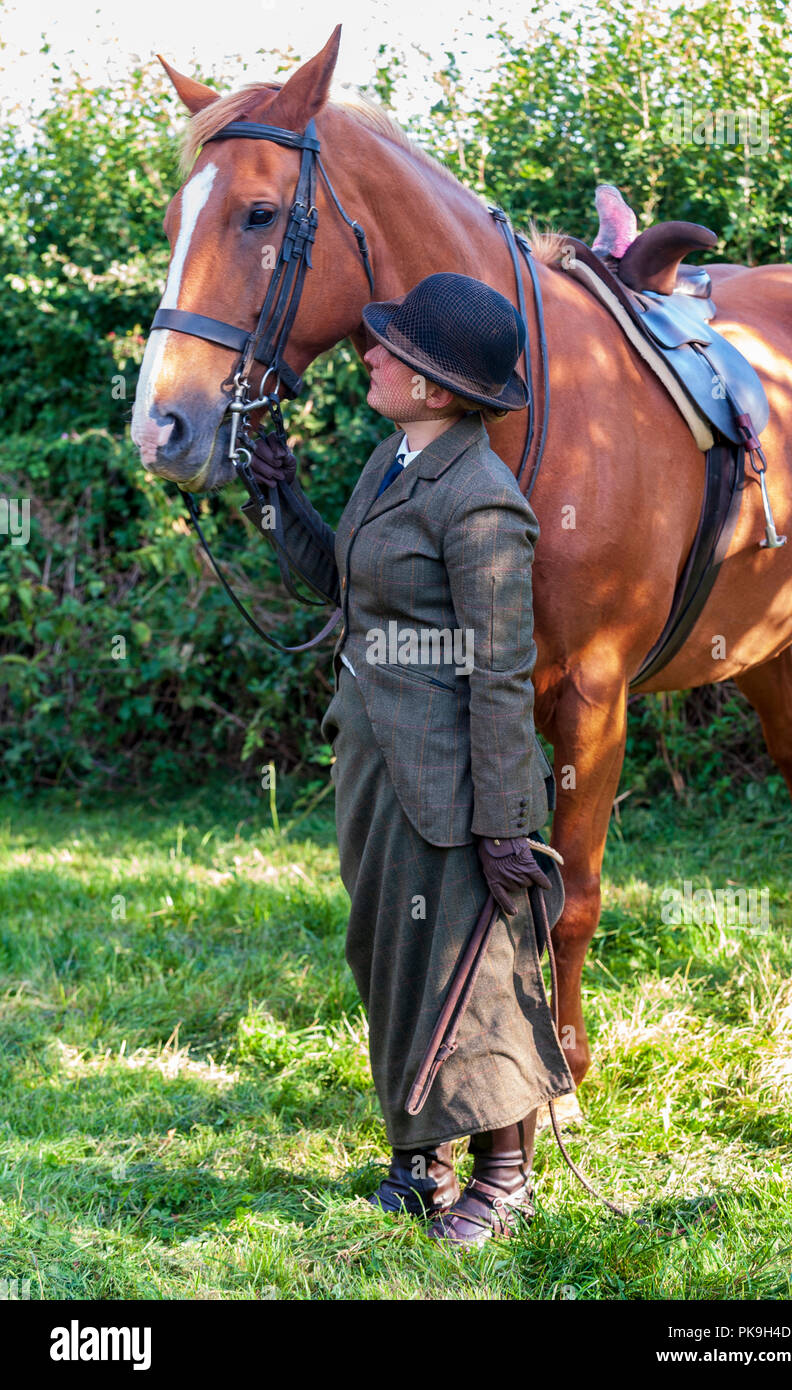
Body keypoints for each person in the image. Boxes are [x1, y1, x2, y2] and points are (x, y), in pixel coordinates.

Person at [243, 272, 574, 1247]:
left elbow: (502, 673)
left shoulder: (481, 501)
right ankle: (421, 1157)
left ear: (433, 385)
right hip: (374, 758)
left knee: (471, 969)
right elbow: (338, 581)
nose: (368, 353)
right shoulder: (393, 462)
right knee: (390, 953)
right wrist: (278, 497)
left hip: (452, 783)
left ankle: (504, 1177)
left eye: (389, 348)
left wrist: (507, 822)